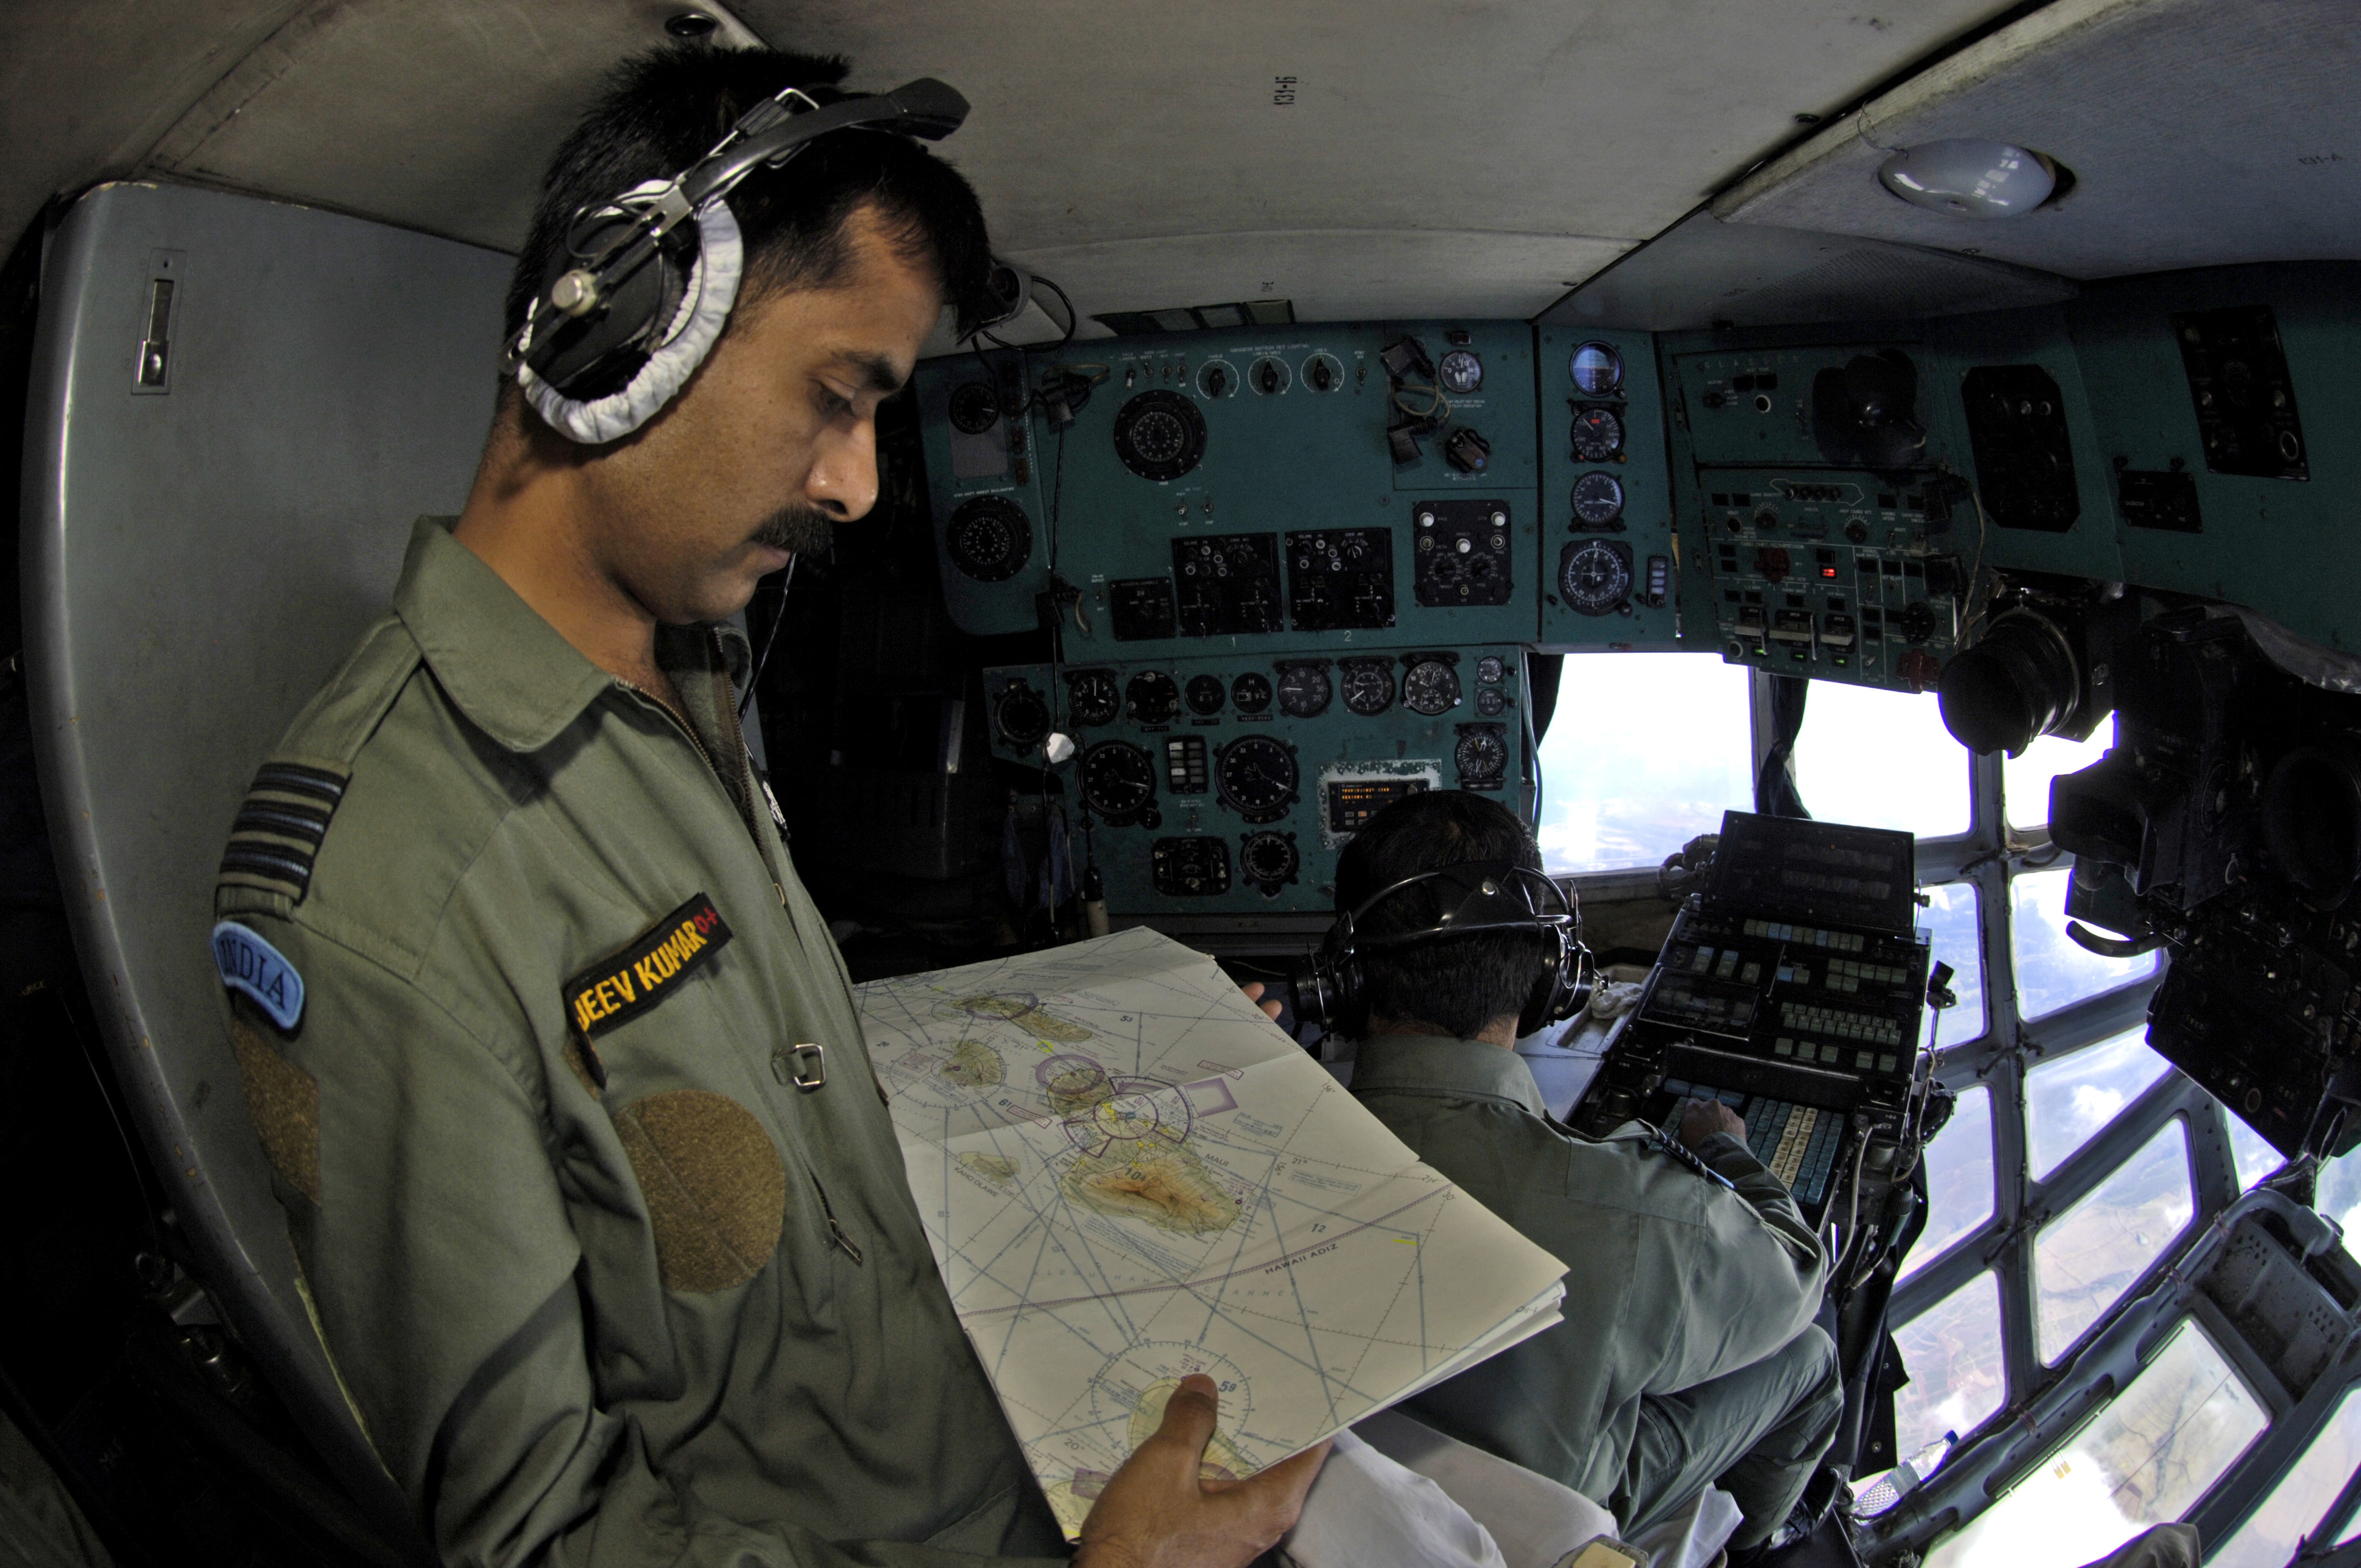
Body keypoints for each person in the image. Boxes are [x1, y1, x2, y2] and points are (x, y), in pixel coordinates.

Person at [206, 43, 1320, 1568]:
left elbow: (794, 1088)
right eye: (837, 396)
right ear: (620, 327)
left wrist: (1147, 1078)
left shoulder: (700, 672)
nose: (858, 485)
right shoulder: (385, 877)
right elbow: (538, 1539)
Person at [1328, 791, 1840, 1556]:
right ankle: (1758, 1548)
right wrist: (1728, 1149)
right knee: (1810, 1359)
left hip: (1345, 1494)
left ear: (1346, 977)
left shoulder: (1255, 1142)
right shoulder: (1628, 1210)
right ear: (1547, 977)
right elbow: (1796, 1277)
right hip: (1539, 1525)